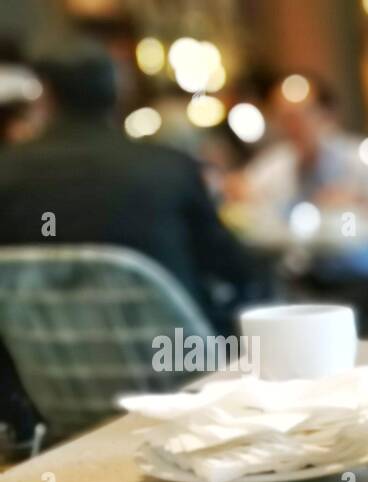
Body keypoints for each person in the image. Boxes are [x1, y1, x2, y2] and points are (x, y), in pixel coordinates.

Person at [0, 39, 259, 327]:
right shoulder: (168, 169)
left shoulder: (8, 173)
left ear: (45, 96)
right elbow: (234, 268)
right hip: (173, 356)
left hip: (41, 361)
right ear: (118, 92)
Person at [235, 76, 368, 331]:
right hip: (300, 277)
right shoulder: (274, 165)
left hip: (358, 276)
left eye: (301, 115)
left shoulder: (357, 159)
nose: (293, 125)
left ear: (327, 114)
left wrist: (357, 205)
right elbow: (246, 204)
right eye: (284, 116)